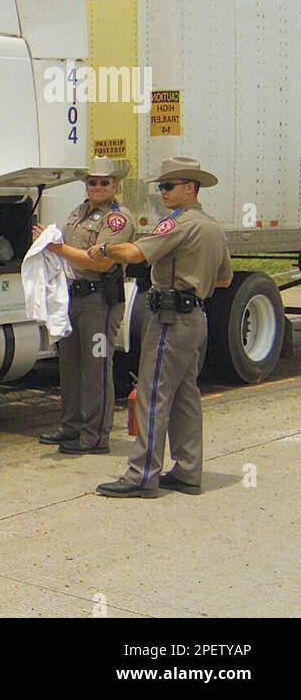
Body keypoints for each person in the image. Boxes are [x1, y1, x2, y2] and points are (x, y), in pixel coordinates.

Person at [86, 157, 232, 498]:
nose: (163, 192)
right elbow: (224, 278)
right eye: (161, 186)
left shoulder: (177, 224)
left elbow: (136, 253)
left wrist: (104, 248)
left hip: (171, 318)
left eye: (169, 186)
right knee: (185, 396)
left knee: (153, 394)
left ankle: (141, 474)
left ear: (190, 187)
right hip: (195, 316)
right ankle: (187, 470)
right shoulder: (211, 225)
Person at [33, 157, 135, 454]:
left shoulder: (117, 219)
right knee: (70, 366)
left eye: (105, 182)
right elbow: (66, 248)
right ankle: (71, 427)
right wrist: (46, 241)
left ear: (115, 185)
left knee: (96, 368)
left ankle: (95, 436)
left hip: (99, 301)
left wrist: (58, 248)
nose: (98, 187)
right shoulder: (78, 213)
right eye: (93, 181)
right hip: (73, 297)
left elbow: (100, 262)